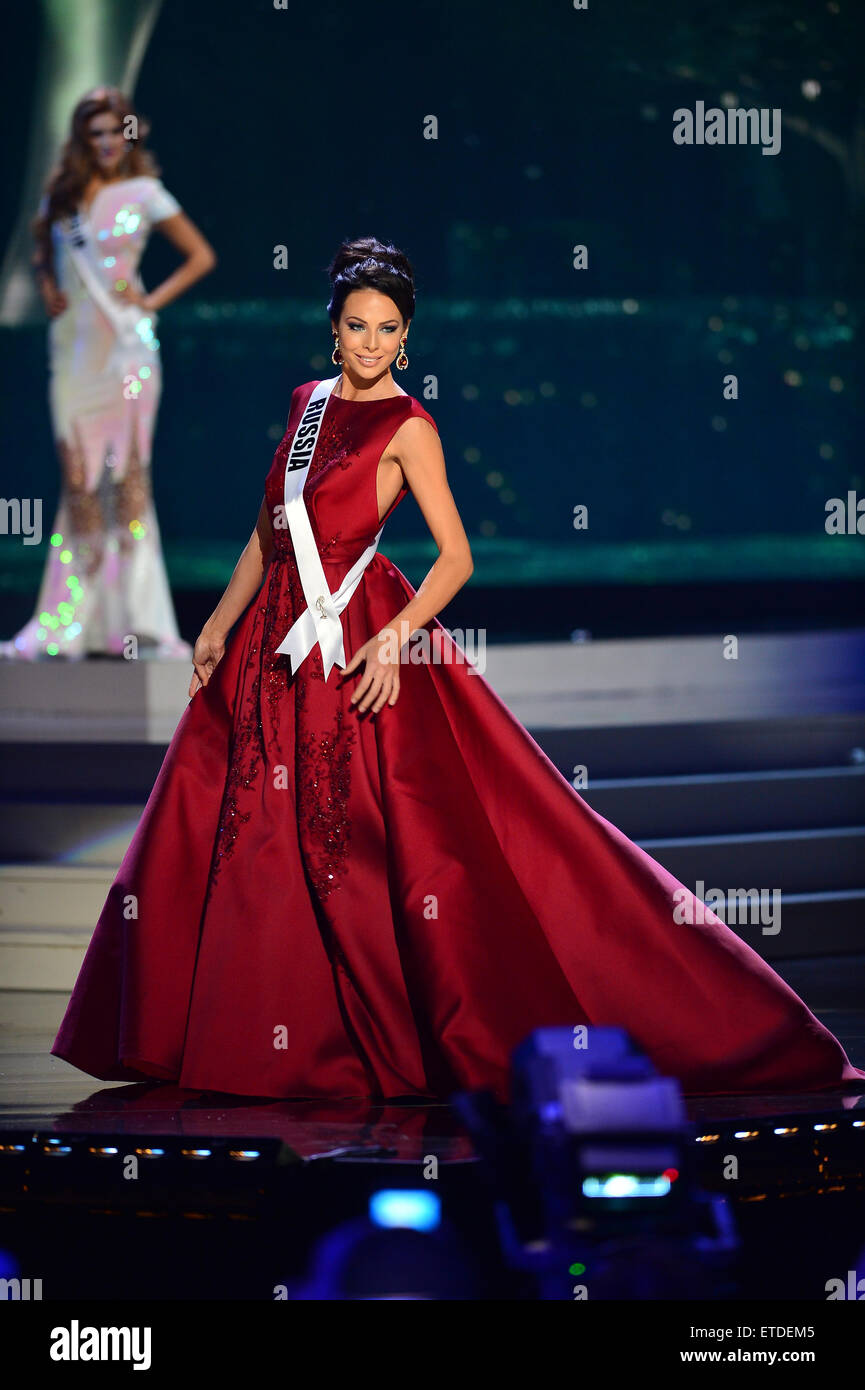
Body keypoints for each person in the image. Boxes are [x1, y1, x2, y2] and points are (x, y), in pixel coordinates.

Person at [51, 236, 865, 1102]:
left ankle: (354, 1042)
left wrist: (394, 639)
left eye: (386, 329)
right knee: (234, 824)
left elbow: (456, 557)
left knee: (353, 842)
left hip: (350, 640)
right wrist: (217, 623)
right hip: (269, 640)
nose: (370, 343)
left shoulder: (409, 426)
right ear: (333, 330)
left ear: (406, 337)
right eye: (356, 326)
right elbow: (268, 533)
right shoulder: (304, 404)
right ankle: (230, 1038)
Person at [1, 88, 216, 661]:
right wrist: (48, 286)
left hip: (126, 353)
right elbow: (41, 244)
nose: (105, 143)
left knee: (127, 482)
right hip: (74, 356)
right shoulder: (64, 197)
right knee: (79, 483)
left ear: (130, 135)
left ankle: (138, 624)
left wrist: (150, 300)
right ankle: (68, 622)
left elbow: (201, 255)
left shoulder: (145, 192)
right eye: (94, 133)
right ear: (82, 139)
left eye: (114, 132)